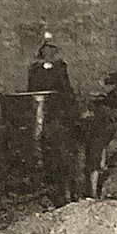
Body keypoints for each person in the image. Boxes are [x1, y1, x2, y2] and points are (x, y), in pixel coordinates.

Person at [26, 34, 79, 207]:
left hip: (58, 108)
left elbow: (66, 87)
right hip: (42, 105)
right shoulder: (35, 69)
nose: (49, 54)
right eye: (46, 51)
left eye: (51, 51)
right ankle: (37, 149)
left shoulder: (60, 67)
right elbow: (32, 88)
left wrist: (68, 101)